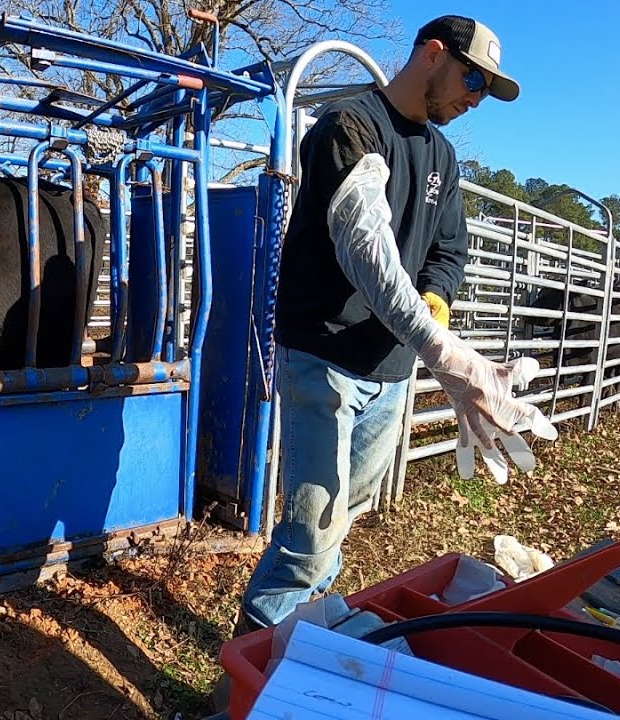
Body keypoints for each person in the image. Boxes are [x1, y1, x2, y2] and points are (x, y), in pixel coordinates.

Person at [237, 14, 557, 637]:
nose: (475, 98)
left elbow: (449, 250)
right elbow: (367, 248)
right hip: (325, 357)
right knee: (309, 538)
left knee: (343, 519)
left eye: (487, 91)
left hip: (391, 370)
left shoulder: (442, 155)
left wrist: (434, 302)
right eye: (473, 79)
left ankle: (301, 642)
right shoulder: (350, 125)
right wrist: (447, 354)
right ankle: (249, 672)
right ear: (433, 54)